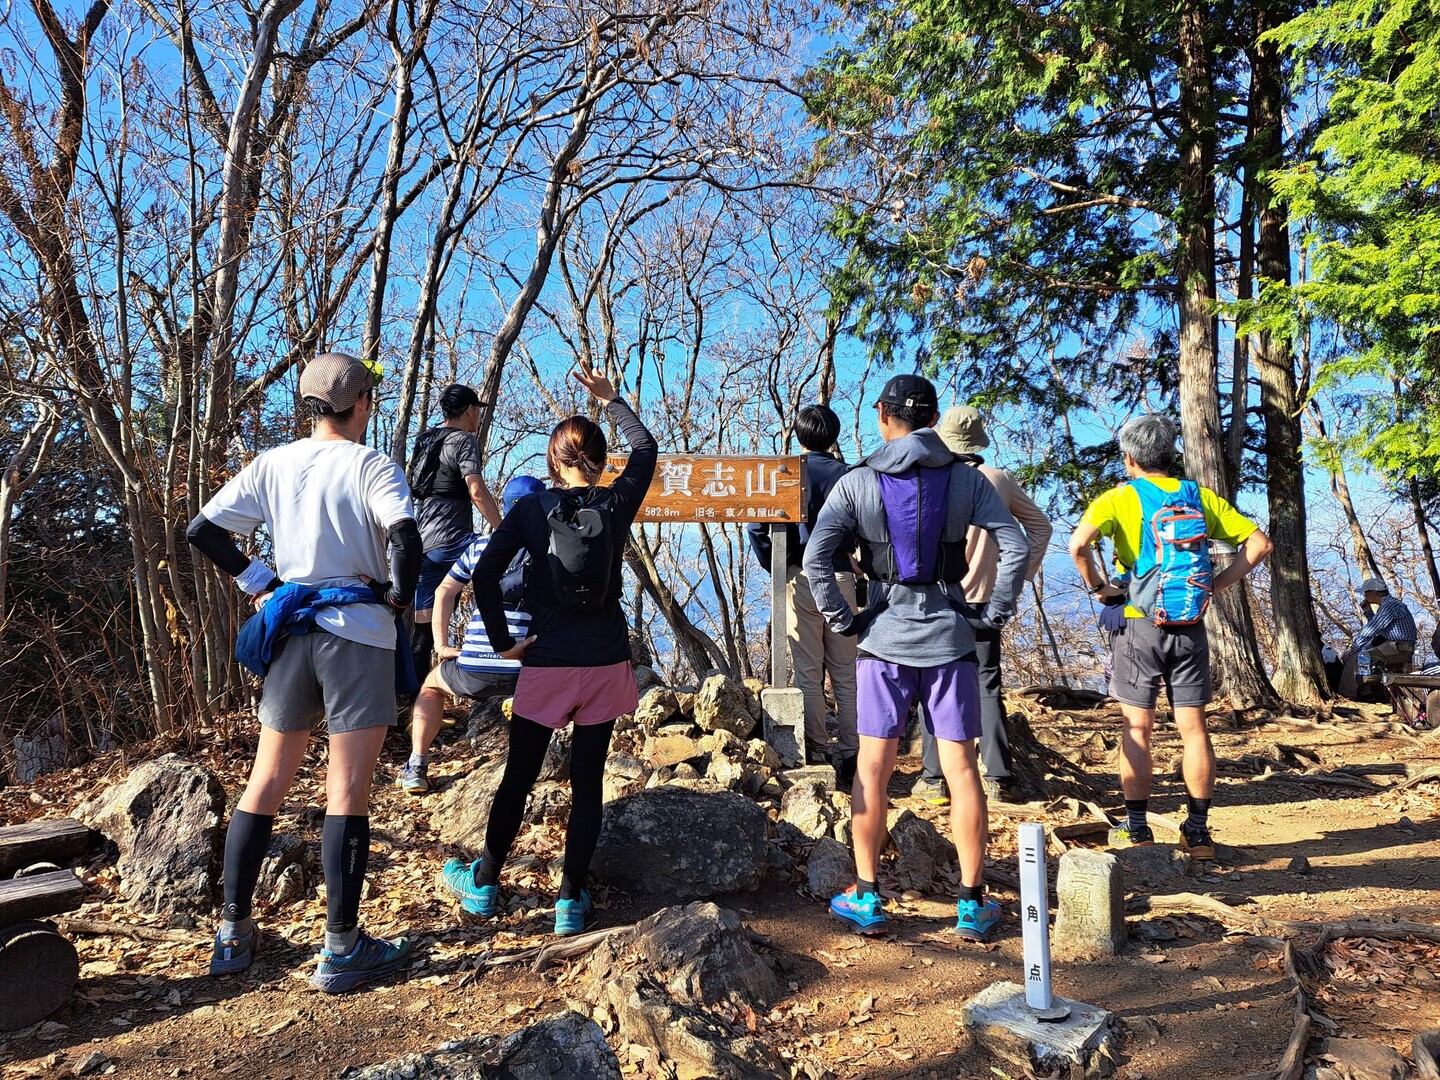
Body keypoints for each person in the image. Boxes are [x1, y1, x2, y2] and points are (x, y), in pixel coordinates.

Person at [186, 352, 421, 992]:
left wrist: (262, 581)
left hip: (290, 631)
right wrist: (398, 598)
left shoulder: (272, 463)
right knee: (347, 792)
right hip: (357, 634)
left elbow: (201, 530)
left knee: (264, 780)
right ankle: (341, 948)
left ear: (310, 407)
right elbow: (404, 536)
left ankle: (232, 936)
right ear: (363, 405)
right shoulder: (372, 463)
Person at [804, 374, 1029, 940]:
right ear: (933, 419)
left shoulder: (859, 482)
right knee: (960, 770)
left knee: (872, 769)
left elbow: (816, 559)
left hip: (881, 643)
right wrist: (993, 613)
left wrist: (845, 620)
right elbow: (1017, 542)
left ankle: (868, 895)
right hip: (952, 641)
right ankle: (972, 903)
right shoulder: (966, 480)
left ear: (883, 416)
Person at [439, 360, 657, 937]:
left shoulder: (530, 510)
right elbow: (647, 449)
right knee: (588, 781)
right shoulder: (615, 504)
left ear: (553, 462)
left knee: (520, 775)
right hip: (607, 661)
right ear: (602, 459)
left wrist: (507, 642)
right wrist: (611, 399)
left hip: (547, 661)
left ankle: (484, 882)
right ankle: (570, 899)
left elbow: (483, 578)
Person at [1068, 414, 1272, 861]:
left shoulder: (1118, 498)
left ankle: (1136, 828)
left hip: (1140, 624)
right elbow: (1259, 545)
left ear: (1129, 459)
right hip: (1190, 625)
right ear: (1169, 455)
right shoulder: (1197, 497)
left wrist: (1100, 588)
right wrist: (1215, 586)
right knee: (1194, 729)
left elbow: (1078, 546)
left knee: (1137, 727)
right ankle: (1198, 833)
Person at [913, 406, 1054, 806]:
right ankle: (996, 776)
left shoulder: (933, 479)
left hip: (938, 600)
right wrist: (1021, 574)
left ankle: (933, 777)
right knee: (987, 684)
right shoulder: (1000, 481)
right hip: (987, 598)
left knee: (933, 685)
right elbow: (1040, 527)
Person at [397, 475, 547, 795]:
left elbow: (444, 591)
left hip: (476, 669)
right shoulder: (554, 550)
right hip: (531, 668)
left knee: (431, 686)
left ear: (505, 509)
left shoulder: (481, 546)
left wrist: (442, 643)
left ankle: (417, 765)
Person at [746, 404, 859, 783]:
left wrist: (780, 566)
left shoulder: (788, 476)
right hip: (842, 576)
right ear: (835, 436)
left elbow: (756, 528)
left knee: (808, 672)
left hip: (800, 578)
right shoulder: (850, 476)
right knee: (846, 672)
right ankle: (853, 752)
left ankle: (817, 747)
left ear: (798, 436)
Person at [408, 384, 503, 679]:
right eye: (478, 411)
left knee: (424, 622)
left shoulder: (425, 439)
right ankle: (493, 666)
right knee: (506, 573)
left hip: (421, 540)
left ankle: (414, 701)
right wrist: (504, 530)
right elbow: (475, 490)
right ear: (471, 410)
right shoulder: (463, 440)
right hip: (454, 539)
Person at [1336, 577, 1417, 698]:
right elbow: (1379, 626)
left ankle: (1346, 695)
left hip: (1399, 648)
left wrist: (1353, 649)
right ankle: (1365, 692)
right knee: (1361, 655)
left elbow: (1372, 629)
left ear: (1374, 593)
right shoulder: (1389, 604)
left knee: (1358, 658)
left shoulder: (1389, 606)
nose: (1364, 595)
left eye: (1366, 592)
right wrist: (1368, 612)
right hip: (1394, 646)